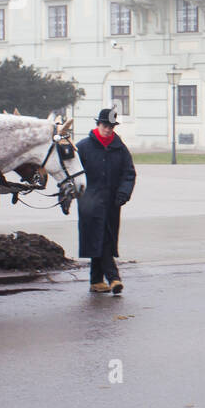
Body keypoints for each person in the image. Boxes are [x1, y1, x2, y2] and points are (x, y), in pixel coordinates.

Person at [77, 107, 136, 294]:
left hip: (112, 203)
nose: (108, 129)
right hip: (90, 203)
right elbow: (72, 174)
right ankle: (114, 278)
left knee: (103, 240)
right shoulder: (83, 147)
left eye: (111, 126)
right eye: (105, 125)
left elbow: (129, 173)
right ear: (98, 125)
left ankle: (96, 281)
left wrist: (123, 193)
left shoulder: (119, 148)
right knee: (101, 240)